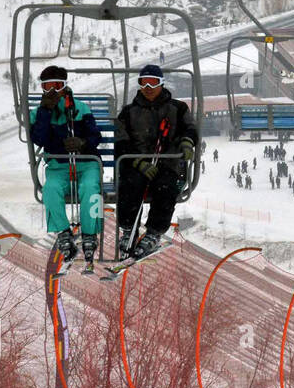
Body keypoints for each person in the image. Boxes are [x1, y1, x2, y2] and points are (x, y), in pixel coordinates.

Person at [113, 65, 198, 260]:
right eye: (144, 82)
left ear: (161, 84)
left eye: (153, 82)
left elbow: (190, 128)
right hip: (137, 164)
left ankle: (153, 233)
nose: (148, 87)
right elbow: (121, 141)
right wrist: (139, 162)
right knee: (130, 184)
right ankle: (128, 230)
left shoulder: (177, 109)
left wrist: (187, 142)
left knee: (165, 187)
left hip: (167, 164)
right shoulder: (128, 112)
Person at [29, 66, 104, 269]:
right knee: (51, 190)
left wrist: (82, 142)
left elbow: (95, 136)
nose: (53, 91)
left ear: (65, 86)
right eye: (47, 87)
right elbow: (39, 139)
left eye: (57, 86)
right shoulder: (38, 113)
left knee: (90, 188)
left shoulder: (80, 108)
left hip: (86, 162)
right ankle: (64, 234)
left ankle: (90, 233)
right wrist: (46, 112)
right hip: (58, 164)